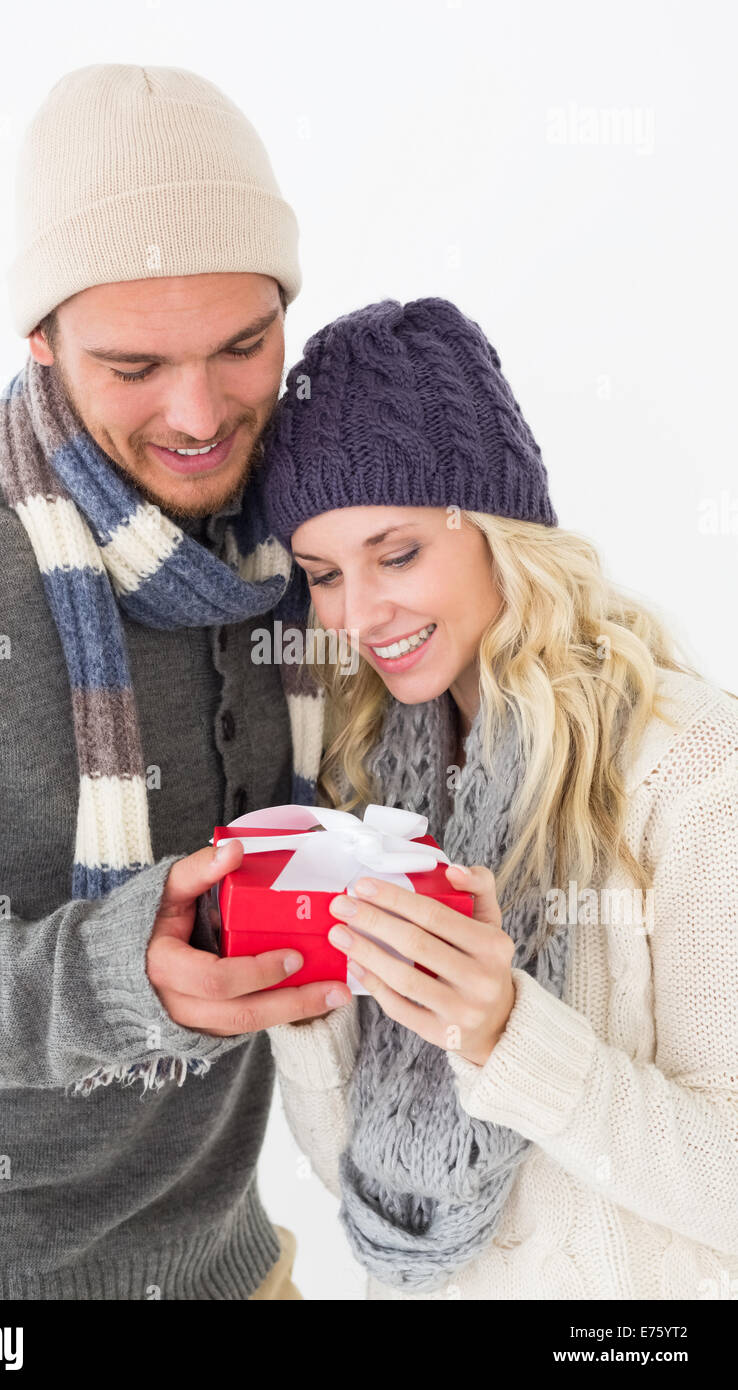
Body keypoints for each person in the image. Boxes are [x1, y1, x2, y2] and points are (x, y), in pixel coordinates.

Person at [0, 63, 352, 1302]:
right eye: (134, 365)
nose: (200, 413)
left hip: (238, 1265)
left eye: (243, 345)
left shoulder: (308, 535)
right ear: (39, 341)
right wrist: (104, 974)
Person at [258, 296, 738, 1300]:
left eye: (396, 555)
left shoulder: (687, 770)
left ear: (495, 529)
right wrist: (296, 997)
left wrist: (503, 1034)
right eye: (321, 575)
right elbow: (366, 1192)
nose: (358, 614)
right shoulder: (368, 778)